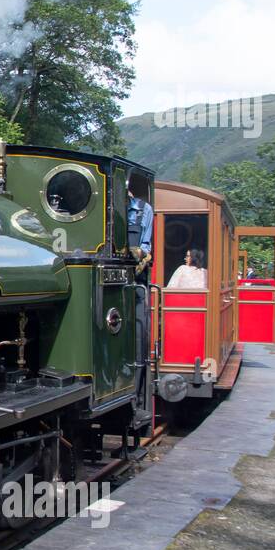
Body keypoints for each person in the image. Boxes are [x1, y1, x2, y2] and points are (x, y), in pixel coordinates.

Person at [127, 174, 155, 423]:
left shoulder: (143, 211)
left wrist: (141, 255)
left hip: (133, 281)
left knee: (138, 330)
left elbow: (146, 246)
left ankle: (134, 393)